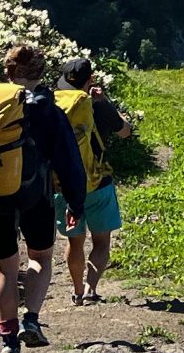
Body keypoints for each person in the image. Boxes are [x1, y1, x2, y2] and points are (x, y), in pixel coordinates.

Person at [0, 43, 86, 353]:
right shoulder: (46, 110)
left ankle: (8, 344)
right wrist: (75, 202)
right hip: (34, 196)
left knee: (4, 268)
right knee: (40, 258)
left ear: (7, 71)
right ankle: (31, 320)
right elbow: (69, 161)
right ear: (41, 74)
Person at [51, 55, 129, 305]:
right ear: (91, 80)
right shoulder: (97, 105)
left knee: (75, 241)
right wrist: (104, 102)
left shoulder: (51, 105)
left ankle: (75, 292)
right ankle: (90, 289)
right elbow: (126, 131)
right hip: (97, 183)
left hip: (62, 185)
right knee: (101, 240)